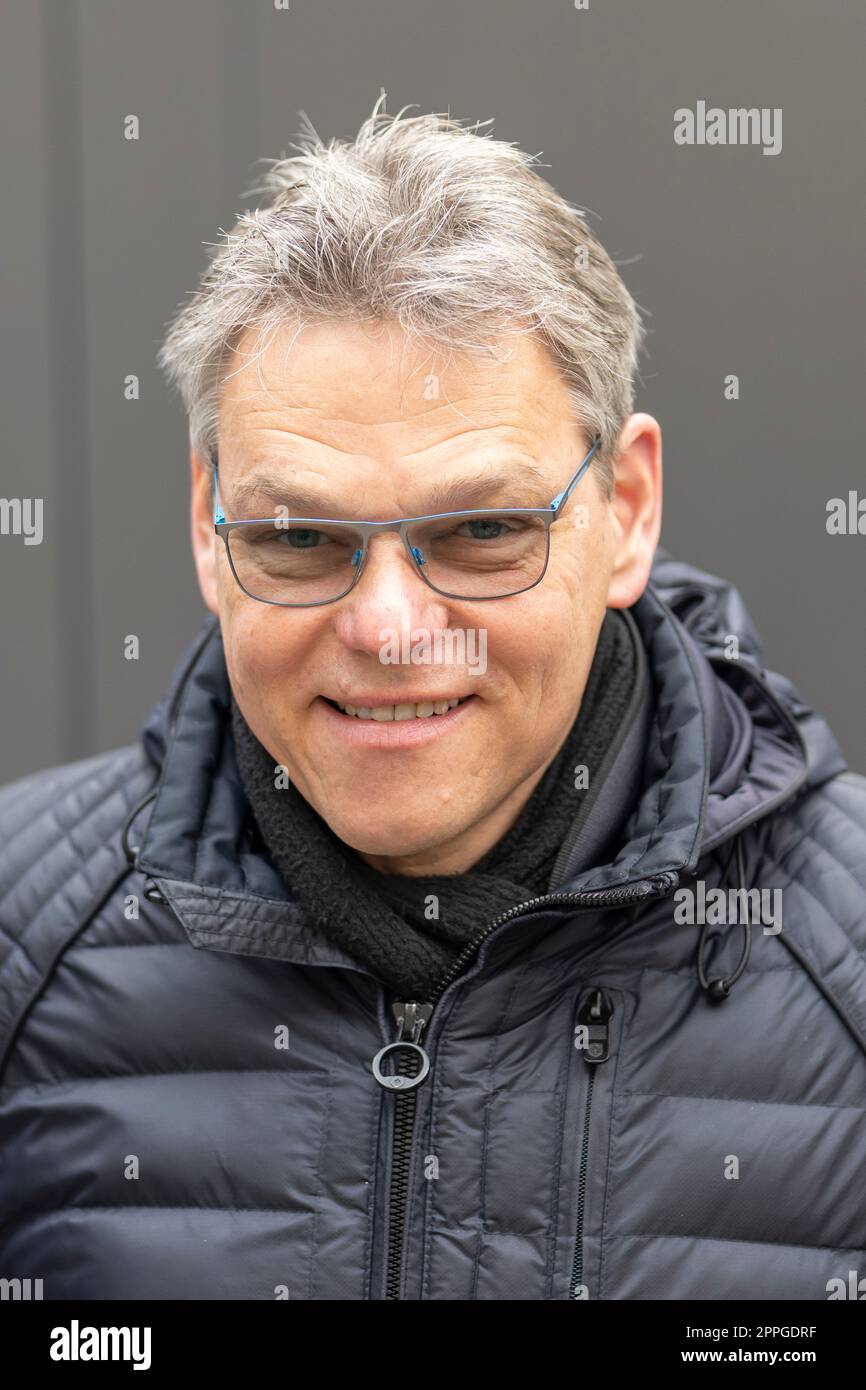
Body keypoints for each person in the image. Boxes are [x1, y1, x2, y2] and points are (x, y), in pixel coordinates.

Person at [1, 99, 864, 1302]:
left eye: (482, 531)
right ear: (209, 524)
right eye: (300, 536)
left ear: (625, 507)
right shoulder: (19, 942)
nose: (391, 628)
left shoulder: (844, 954)